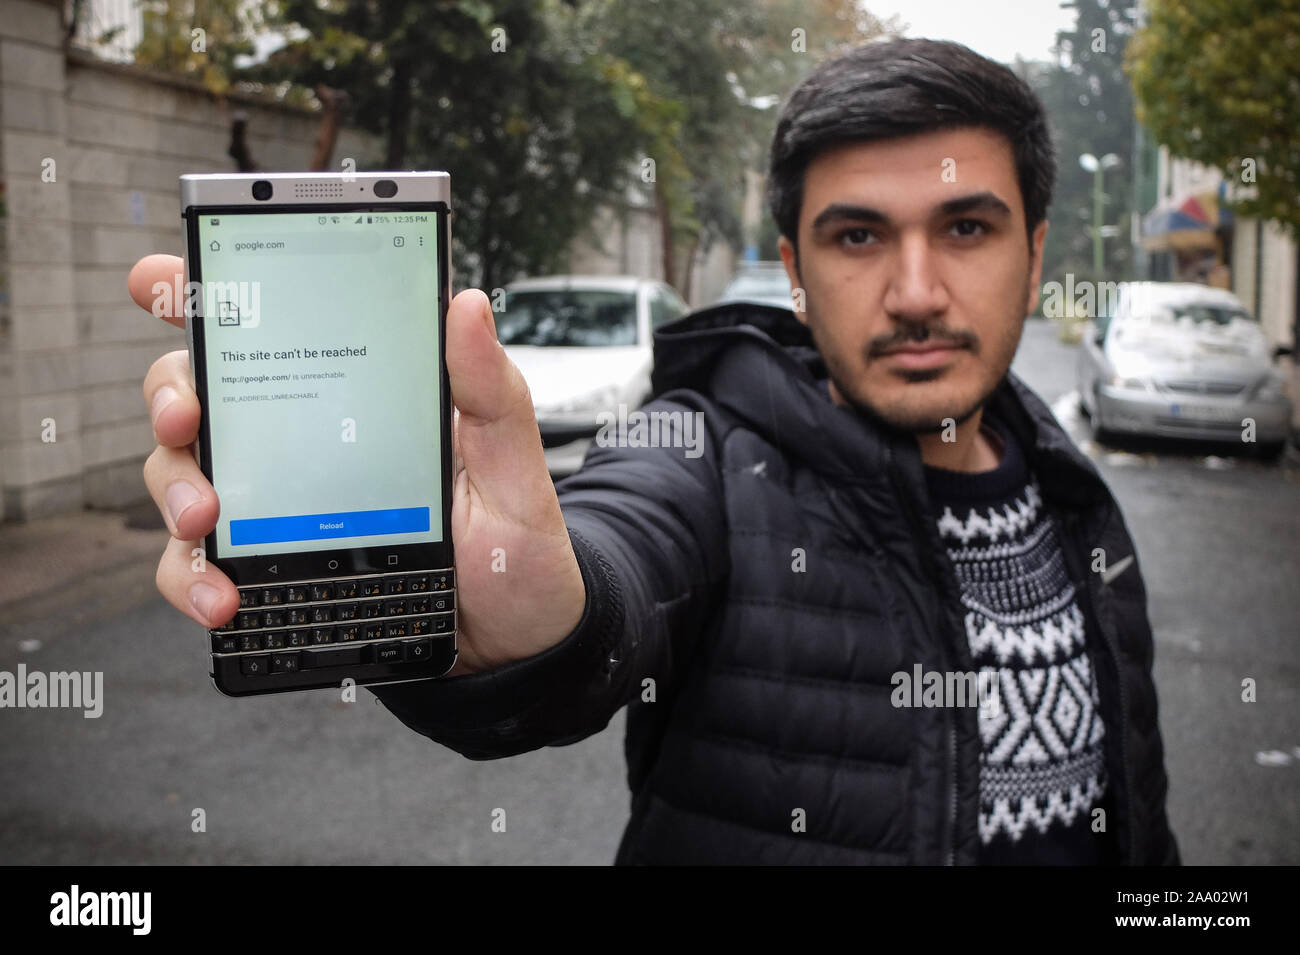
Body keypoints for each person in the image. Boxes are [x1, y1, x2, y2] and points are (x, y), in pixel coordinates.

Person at [128, 37, 1179, 865]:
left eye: (964, 229)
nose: (913, 291)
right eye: (857, 236)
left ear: (1036, 252)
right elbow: (622, 559)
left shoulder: (1073, 491)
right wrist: (526, 614)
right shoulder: (702, 455)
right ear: (793, 267)